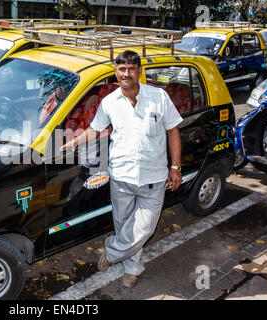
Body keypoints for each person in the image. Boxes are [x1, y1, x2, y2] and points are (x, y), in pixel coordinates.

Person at [61, 50, 183, 288]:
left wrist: (175, 166)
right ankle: (132, 268)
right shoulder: (109, 102)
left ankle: (111, 252)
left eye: (131, 69)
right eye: (121, 69)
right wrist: (74, 141)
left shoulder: (158, 96)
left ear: (139, 71)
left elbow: (173, 131)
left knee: (144, 229)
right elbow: (95, 129)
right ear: (116, 72)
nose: (126, 73)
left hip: (154, 177)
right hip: (121, 176)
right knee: (124, 225)